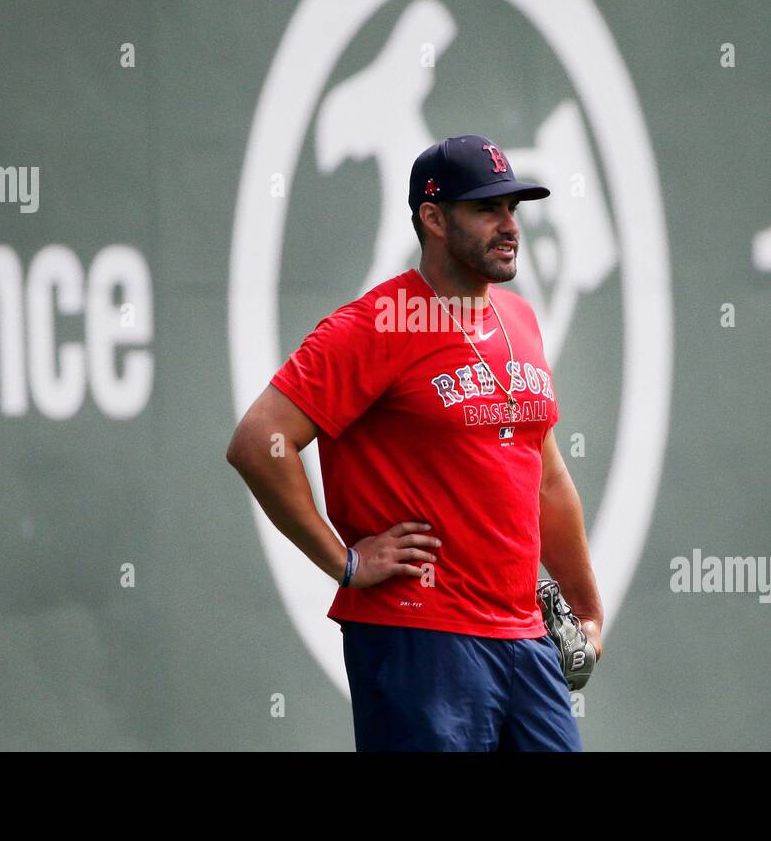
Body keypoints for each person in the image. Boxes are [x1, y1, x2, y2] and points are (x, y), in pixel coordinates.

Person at [227, 135, 604, 751]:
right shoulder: (376, 325)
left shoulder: (520, 320)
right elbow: (258, 441)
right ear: (433, 217)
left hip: (524, 639)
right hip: (421, 637)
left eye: (513, 208)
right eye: (487, 209)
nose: (509, 226)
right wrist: (345, 562)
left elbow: (549, 479)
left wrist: (588, 611)